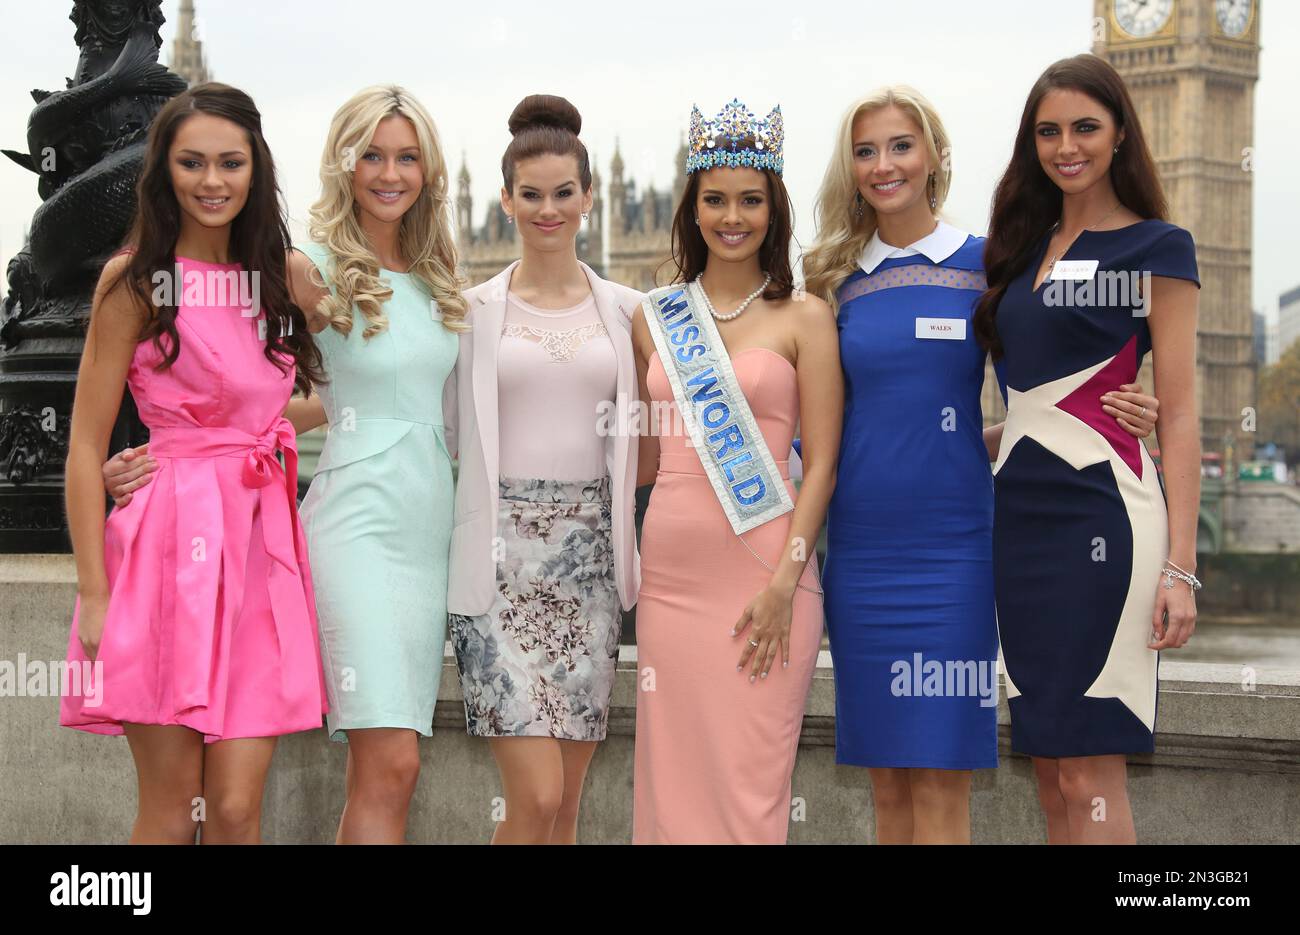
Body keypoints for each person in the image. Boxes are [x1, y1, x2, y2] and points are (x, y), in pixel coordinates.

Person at [102, 85, 468, 844]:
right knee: (389, 760)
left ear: (430, 169)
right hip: (354, 521)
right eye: (372, 154)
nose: (390, 172)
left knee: (393, 771)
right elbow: (226, 373)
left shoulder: (443, 277)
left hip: (428, 524)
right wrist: (167, 454)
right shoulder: (302, 268)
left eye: (407, 157)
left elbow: (322, 400)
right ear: (343, 163)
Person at [802, 86, 1161, 844]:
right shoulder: (831, 280)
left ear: (935, 155)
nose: (884, 164)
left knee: (942, 779)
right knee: (886, 787)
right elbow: (813, 419)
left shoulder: (991, 265)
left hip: (956, 553)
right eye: (865, 151)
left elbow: (1041, 386)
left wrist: (1114, 407)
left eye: (901, 146)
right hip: (862, 554)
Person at [62, 83, 327, 844]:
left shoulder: (287, 276)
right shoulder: (134, 282)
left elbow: (328, 395)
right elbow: (84, 445)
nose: (212, 181)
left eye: (230, 163)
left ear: (256, 169)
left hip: (259, 549)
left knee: (237, 810)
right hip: (164, 550)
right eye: (192, 162)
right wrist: (95, 594)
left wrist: (248, 436)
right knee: (175, 812)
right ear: (164, 171)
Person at [973, 54, 1202, 844]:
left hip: (1105, 516)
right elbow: (1030, 408)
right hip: (1019, 526)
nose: (1066, 146)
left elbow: (1180, 415)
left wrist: (1181, 568)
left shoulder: (1158, 247)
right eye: (1048, 131)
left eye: (1084, 128)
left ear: (1119, 134)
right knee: (1049, 770)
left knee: (1089, 774)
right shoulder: (1015, 249)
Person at [631, 99, 843, 843]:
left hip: (766, 575)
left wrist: (787, 580)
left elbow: (822, 463)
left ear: (773, 210)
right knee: (671, 786)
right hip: (670, 582)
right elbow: (644, 456)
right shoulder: (654, 317)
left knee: (750, 790)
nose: (731, 217)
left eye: (750, 200)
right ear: (692, 209)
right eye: (714, 199)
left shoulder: (806, 316)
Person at [445, 94, 642, 844]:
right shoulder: (469, 311)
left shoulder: (631, 311)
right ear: (504, 200)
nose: (548, 209)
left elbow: (666, 426)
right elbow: (435, 427)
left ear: (591, 196)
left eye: (564, 193)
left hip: (588, 570)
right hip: (495, 570)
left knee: (565, 807)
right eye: (531, 195)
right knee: (535, 797)